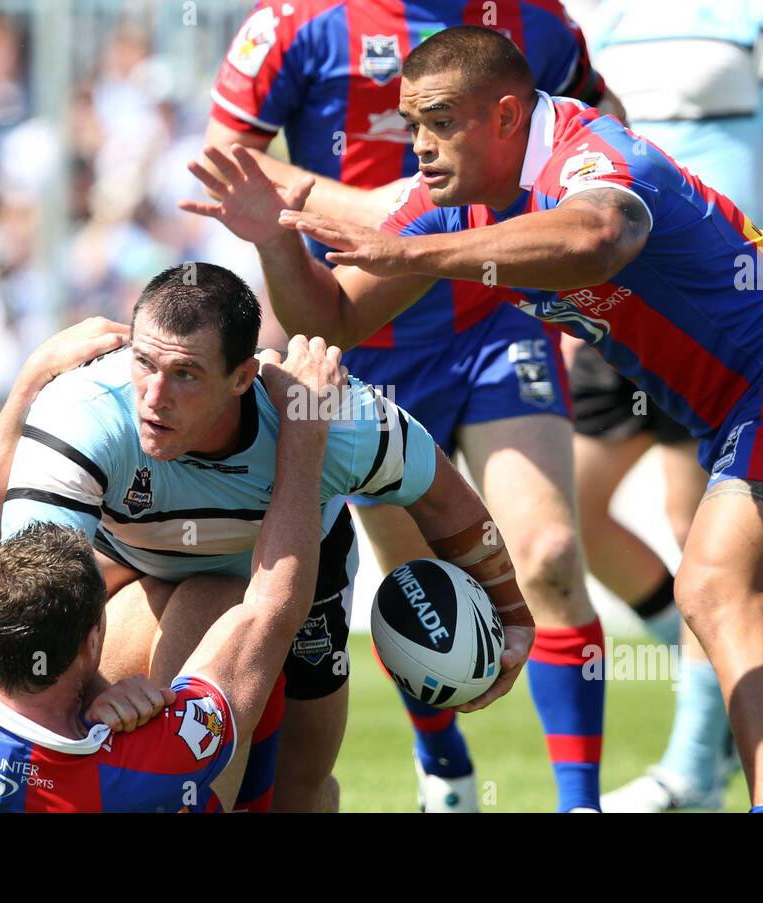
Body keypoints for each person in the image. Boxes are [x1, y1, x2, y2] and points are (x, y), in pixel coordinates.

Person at [185, 25, 763, 810]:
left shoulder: (591, 153)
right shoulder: (447, 201)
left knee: (715, 588)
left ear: (505, 116)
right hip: (756, 404)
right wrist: (272, 244)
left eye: (437, 122)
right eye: (410, 122)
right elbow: (336, 318)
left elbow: (603, 235)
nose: (416, 144)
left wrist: (413, 254)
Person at [205, 0, 621, 813]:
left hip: (498, 315)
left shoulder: (536, 21)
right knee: (416, 580)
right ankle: (446, 767)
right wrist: (362, 205)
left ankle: (581, 804)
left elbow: (601, 125)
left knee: (550, 555)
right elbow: (228, 156)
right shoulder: (299, 21)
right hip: (359, 325)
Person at [0, 262, 535, 812]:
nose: (154, 397)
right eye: (143, 362)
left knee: (300, 792)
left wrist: (513, 613)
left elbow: (442, 495)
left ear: (242, 377)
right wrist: (89, 692)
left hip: (304, 579)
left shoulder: (331, 417)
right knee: (110, 750)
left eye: (186, 374)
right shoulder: (82, 413)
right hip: (140, 574)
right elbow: (31, 604)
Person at [0, 319, 348, 811]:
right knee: (215, 601)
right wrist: (304, 434)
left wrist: (27, 385)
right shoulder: (155, 764)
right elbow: (268, 608)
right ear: (92, 640)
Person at [585, 0, 763, 812]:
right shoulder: (597, 13)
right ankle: (720, 678)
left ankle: (696, 766)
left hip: (731, 309)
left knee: (700, 535)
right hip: (620, 302)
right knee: (569, 513)